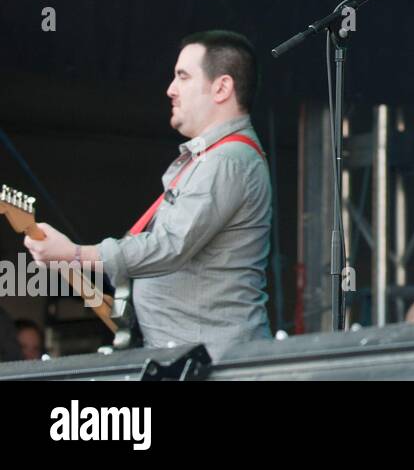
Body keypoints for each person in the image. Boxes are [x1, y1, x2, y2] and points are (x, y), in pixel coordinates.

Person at [25, 31, 273, 359]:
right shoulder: (208, 159)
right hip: (194, 358)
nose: (170, 89)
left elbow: (169, 246)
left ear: (222, 88)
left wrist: (75, 254)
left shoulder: (227, 160)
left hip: (215, 361)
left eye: (182, 77)